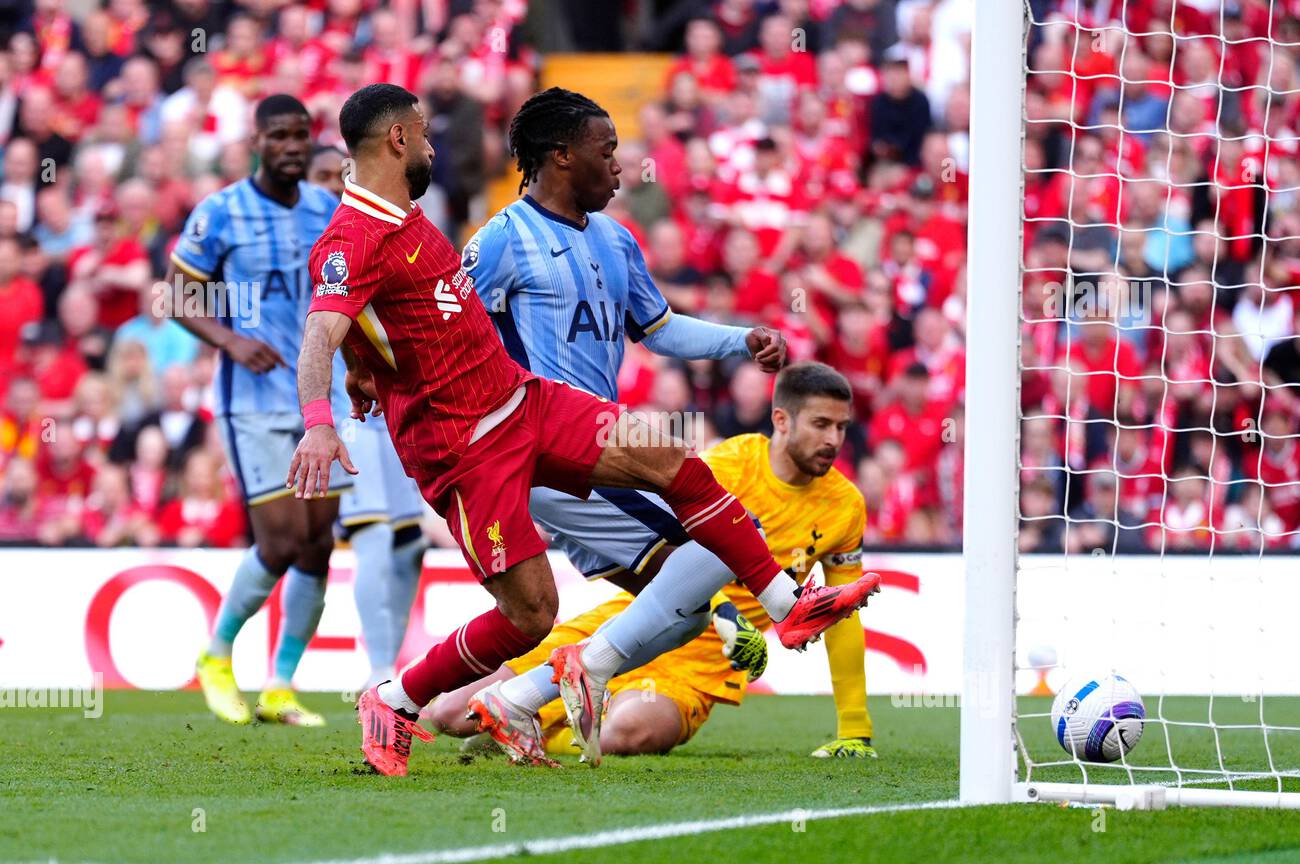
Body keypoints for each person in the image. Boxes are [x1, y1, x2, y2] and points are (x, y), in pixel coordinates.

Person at [289, 83, 880, 776]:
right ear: (397, 141)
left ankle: (788, 606)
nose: (430, 146)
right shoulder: (360, 237)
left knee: (674, 463)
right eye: (421, 135)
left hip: (528, 401)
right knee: (531, 614)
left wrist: (369, 368)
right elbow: (321, 332)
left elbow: (389, 323)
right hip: (466, 446)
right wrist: (319, 423)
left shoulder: (413, 220)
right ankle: (399, 697)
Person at [433, 363, 878, 762]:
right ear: (781, 419)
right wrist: (725, 611)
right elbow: (666, 545)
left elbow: (840, 616)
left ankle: (536, 723)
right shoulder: (729, 464)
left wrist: (855, 727)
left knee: (628, 731)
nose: (833, 440)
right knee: (451, 713)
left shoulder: (845, 507)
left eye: (841, 427)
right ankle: (530, 712)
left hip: (698, 666)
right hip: (638, 618)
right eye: (821, 424)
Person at [165, 94, 348, 727]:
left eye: (301, 135)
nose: (292, 146)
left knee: (319, 543)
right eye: (279, 136)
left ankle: (280, 684)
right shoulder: (220, 212)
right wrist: (230, 340)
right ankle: (216, 656)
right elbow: (178, 294)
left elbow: (351, 301)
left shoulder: (330, 209)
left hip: (325, 397)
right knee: (281, 539)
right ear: (256, 142)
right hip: (255, 403)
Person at [309, 141, 428, 689]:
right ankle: (380, 670)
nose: (335, 182)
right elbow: (314, 336)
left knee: (408, 540)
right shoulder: (321, 239)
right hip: (344, 409)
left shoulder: (383, 226)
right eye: (324, 174)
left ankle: (395, 662)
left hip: (395, 402)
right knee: (374, 534)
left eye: (343, 172)